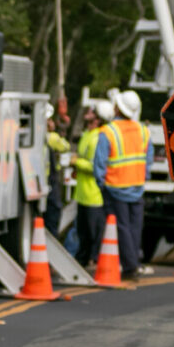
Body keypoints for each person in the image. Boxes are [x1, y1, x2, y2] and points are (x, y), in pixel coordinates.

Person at [93, 89, 153, 281]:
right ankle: (133, 261)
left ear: (118, 107)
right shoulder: (144, 130)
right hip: (136, 186)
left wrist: (100, 182)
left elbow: (100, 162)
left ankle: (130, 266)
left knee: (122, 227)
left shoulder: (109, 131)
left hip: (115, 186)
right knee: (135, 227)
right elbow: (148, 160)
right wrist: (143, 177)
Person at [72, 100, 112, 268]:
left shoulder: (97, 137)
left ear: (98, 119)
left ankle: (93, 259)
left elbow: (96, 166)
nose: (87, 114)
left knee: (92, 232)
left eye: (91, 113)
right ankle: (82, 259)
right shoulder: (86, 134)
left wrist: (76, 162)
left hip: (93, 195)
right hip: (82, 193)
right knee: (82, 231)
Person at [43, 102, 71, 237]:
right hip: (49, 180)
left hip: (40, 178)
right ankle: (52, 238)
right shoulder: (52, 137)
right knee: (54, 210)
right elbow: (65, 146)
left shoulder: (39, 135)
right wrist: (54, 131)